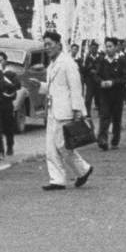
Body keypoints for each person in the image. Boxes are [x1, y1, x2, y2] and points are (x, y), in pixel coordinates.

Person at [41, 33, 93, 192]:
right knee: (50, 147)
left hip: (65, 110)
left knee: (63, 145)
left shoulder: (68, 63)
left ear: (59, 44)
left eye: (49, 44)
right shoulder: (52, 64)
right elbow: (56, 88)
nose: (47, 48)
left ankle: (83, 169)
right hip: (52, 110)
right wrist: (41, 86)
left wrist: (78, 110)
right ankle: (57, 179)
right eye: (45, 45)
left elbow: (75, 87)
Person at [93, 38, 126, 150]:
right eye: (107, 46)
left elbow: (125, 78)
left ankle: (115, 140)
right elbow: (96, 75)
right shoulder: (102, 60)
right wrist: (101, 82)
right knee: (104, 116)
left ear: (116, 47)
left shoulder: (122, 60)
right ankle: (102, 140)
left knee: (116, 118)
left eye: (110, 46)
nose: (108, 49)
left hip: (118, 94)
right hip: (104, 94)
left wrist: (113, 82)